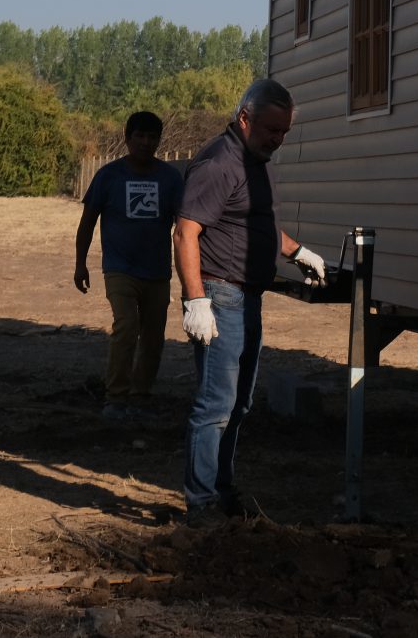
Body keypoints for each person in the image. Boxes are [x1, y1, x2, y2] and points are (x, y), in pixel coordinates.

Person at [175, 78, 326, 521]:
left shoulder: (254, 161)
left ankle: (222, 492)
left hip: (248, 296)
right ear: (245, 118)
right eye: (270, 131)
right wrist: (195, 300)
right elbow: (186, 231)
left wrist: (297, 252)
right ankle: (201, 504)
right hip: (220, 294)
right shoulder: (219, 163)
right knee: (215, 404)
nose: (277, 141)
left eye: (284, 133)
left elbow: (251, 224)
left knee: (239, 403)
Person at [73, 110, 185, 420]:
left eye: (152, 137)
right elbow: (87, 223)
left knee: (153, 337)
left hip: (158, 271)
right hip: (120, 269)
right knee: (126, 327)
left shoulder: (170, 178)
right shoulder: (108, 176)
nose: (146, 143)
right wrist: (80, 264)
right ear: (127, 139)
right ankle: (116, 398)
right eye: (140, 136)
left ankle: (140, 398)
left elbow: (185, 226)